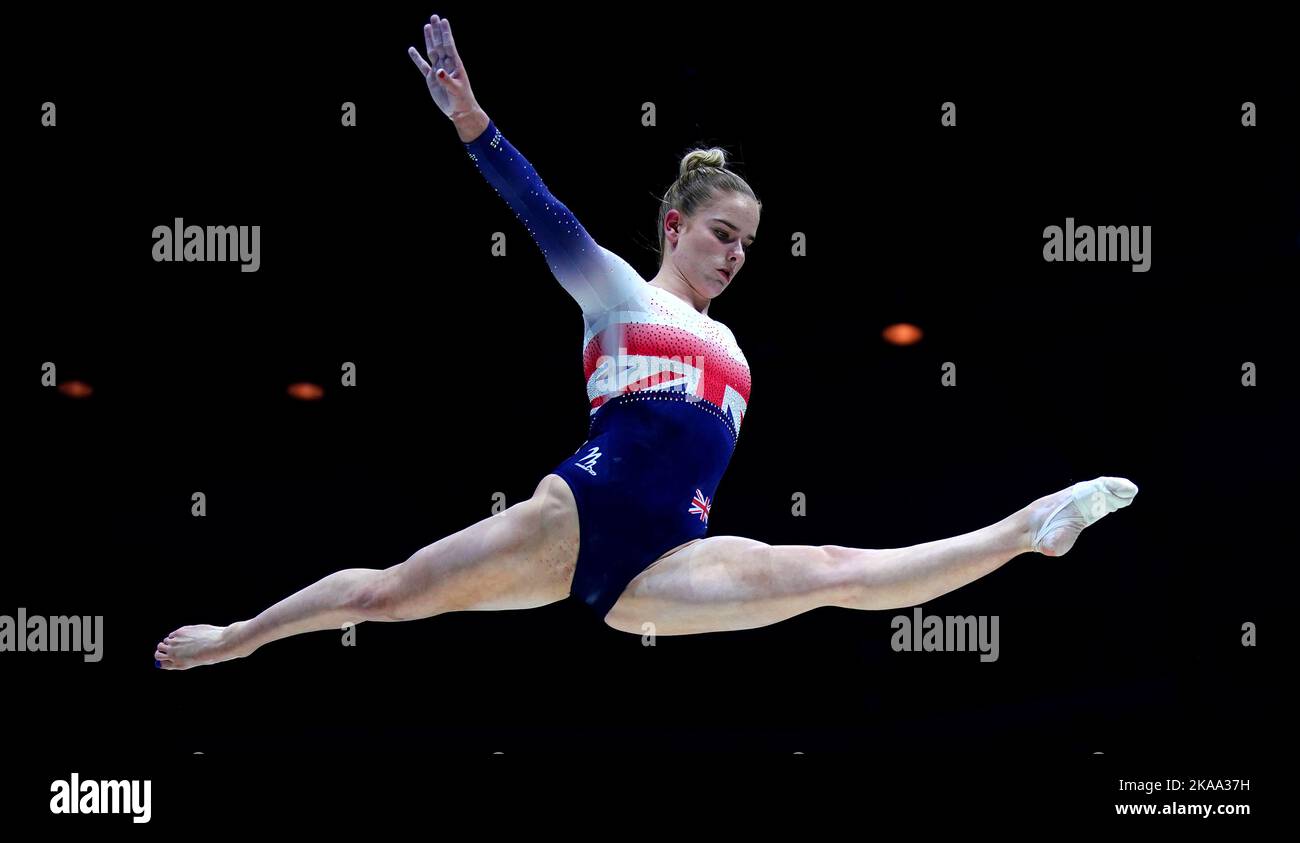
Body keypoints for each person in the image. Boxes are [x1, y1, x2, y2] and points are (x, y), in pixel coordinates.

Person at [153, 14, 1137, 669]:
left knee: (837, 571)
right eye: (720, 234)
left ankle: (1028, 527)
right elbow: (544, 216)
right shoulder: (619, 293)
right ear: (673, 227)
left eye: (747, 244)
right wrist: (473, 124)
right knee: (382, 596)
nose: (734, 256)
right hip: (569, 516)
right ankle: (240, 636)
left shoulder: (740, 356)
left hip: (661, 567)